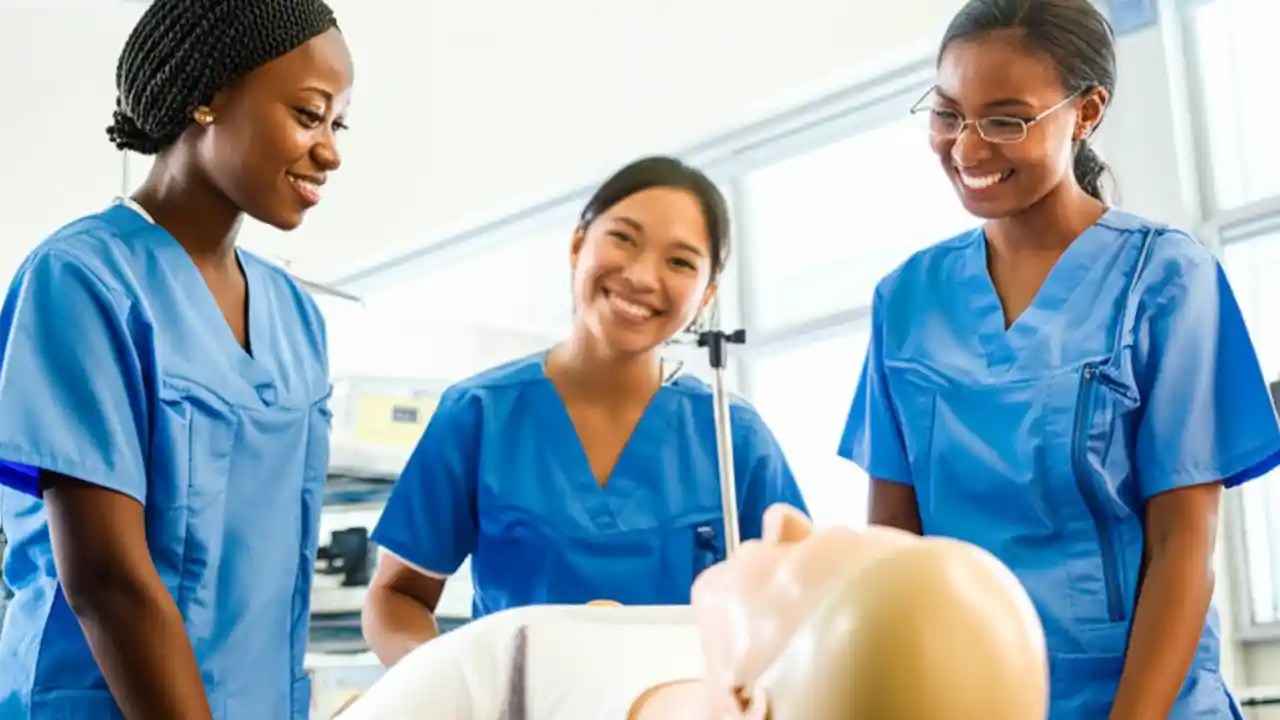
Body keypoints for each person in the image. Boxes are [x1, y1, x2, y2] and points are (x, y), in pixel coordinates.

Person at [838, 0, 1280, 717]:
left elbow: (1183, 546)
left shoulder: (1164, 279)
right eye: (948, 114)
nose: (969, 149)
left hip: (1143, 698)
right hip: (972, 696)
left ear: (1086, 111)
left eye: (1007, 119)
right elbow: (892, 547)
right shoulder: (907, 300)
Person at [0, 1, 353, 718]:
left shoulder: (298, 318)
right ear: (208, 96)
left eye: (338, 124)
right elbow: (105, 580)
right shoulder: (83, 280)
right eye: (309, 115)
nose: (331, 151)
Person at [362, 156, 810, 668]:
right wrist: (457, 693)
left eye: (680, 262)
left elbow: (801, 611)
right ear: (578, 244)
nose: (642, 275)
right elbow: (397, 598)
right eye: (623, 238)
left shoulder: (735, 438)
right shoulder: (480, 416)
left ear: (706, 294)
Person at [336, 503, 1049, 719]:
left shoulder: (492, 680)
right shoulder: (737, 652)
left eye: (795, 561)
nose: (781, 519)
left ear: (749, 702)